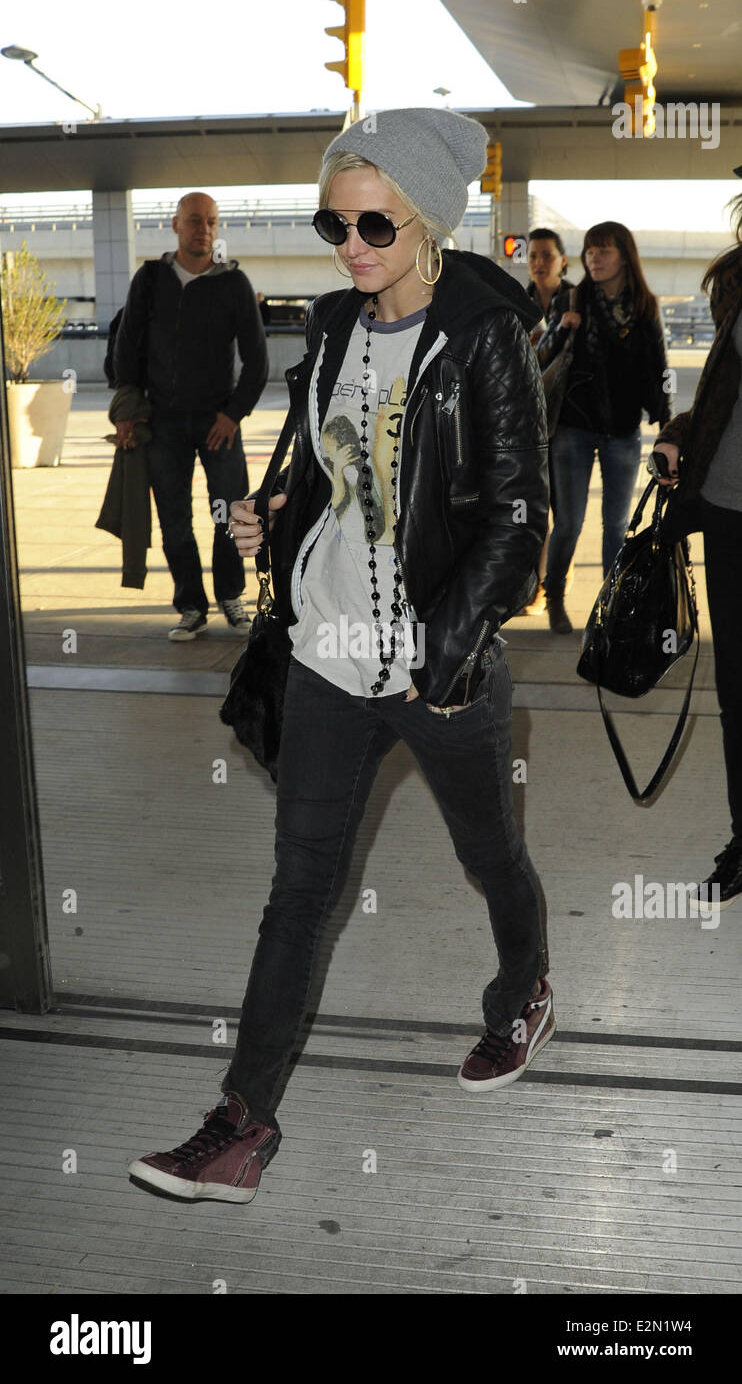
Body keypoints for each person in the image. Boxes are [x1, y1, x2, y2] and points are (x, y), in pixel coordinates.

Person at [128, 108, 553, 1206]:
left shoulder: (484, 337)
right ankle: (240, 1122)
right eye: (334, 221)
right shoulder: (329, 328)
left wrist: (444, 648)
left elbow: (517, 521)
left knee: (490, 856)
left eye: (373, 222)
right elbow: (331, 472)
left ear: (429, 223)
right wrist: (276, 511)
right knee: (299, 893)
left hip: (437, 666)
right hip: (325, 656)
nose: (350, 244)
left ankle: (521, 991)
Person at [113, 192, 269, 641]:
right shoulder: (149, 279)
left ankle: (232, 598)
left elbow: (257, 362)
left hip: (218, 423)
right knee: (174, 519)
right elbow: (126, 347)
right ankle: (191, 606)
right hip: (162, 424)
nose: (204, 229)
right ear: (176, 225)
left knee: (229, 513)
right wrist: (127, 410)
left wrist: (233, 414)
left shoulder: (233, 283)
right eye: (195, 220)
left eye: (212, 222)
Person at [650, 169, 742, 911]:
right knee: (736, 689)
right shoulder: (737, 277)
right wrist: (680, 436)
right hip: (728, 508)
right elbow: (721, 389)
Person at [536, 221, 671, 634]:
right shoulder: (572, 298)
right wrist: (563, 328)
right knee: (570, 522)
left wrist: (667, 430)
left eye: (604, 251)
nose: (594, 258)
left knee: (616, 525)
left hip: (624, 432)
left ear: (624, 256)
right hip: (574, 428)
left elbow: (658, 368)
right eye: (590, 251)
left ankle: (610, 608)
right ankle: (555, 596)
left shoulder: (644, 306)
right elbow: (539, 356)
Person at [521, 228, 575, 614]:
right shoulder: (517, 303)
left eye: (546, 256)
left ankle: (554, 582)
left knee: (562, 512)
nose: (539, 263)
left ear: (562, 260)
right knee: (533, 508)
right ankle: (535, 587)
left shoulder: (575, 301)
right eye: (533, 256)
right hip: (528, 422)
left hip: (567, 420)